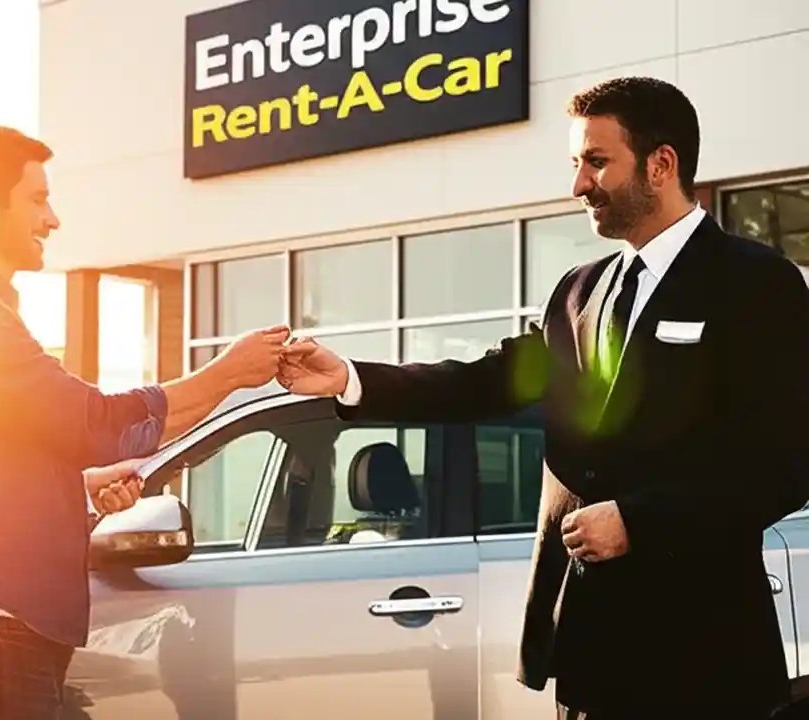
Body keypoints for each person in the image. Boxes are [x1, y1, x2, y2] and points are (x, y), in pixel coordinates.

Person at [277, 76, 809, 719]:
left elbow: (784, 466)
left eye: (597, 161)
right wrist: (349, 377)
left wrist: (640, 521)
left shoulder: (758, 284)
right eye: (576, 162)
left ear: (661, 164)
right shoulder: (579, 291)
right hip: (587, 655)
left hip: (702, 658)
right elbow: (484, 382)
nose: (579, 184)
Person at [0, 124, 288, 719]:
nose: (52, 219)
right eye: (37, 199)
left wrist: (79, 489)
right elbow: (95, 425)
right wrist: (227, 373)